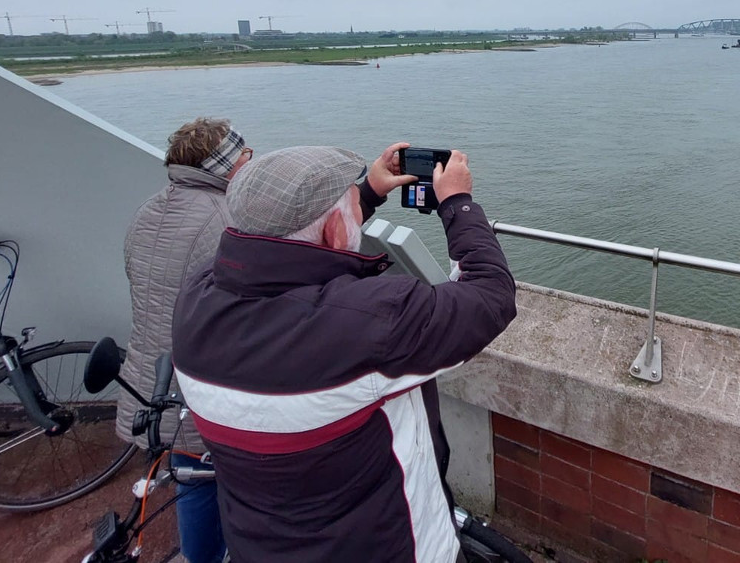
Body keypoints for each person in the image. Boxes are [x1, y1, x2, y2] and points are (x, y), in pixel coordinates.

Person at [171, 143, 517, 563]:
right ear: (336, 230)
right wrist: (458, 204)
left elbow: (285, 252)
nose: (358, 213)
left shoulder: (194, 302)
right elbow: (491, 296)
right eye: (354, 210)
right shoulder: (372, 323)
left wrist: (367, 193)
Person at [119, 118, 251, 563]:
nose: (251, 162)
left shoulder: (148, 211)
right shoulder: (225, 220)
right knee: (208, 482)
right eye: (246, 157)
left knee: (188, 473)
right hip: (202, 381)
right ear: (226, 167)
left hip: (152, 373)